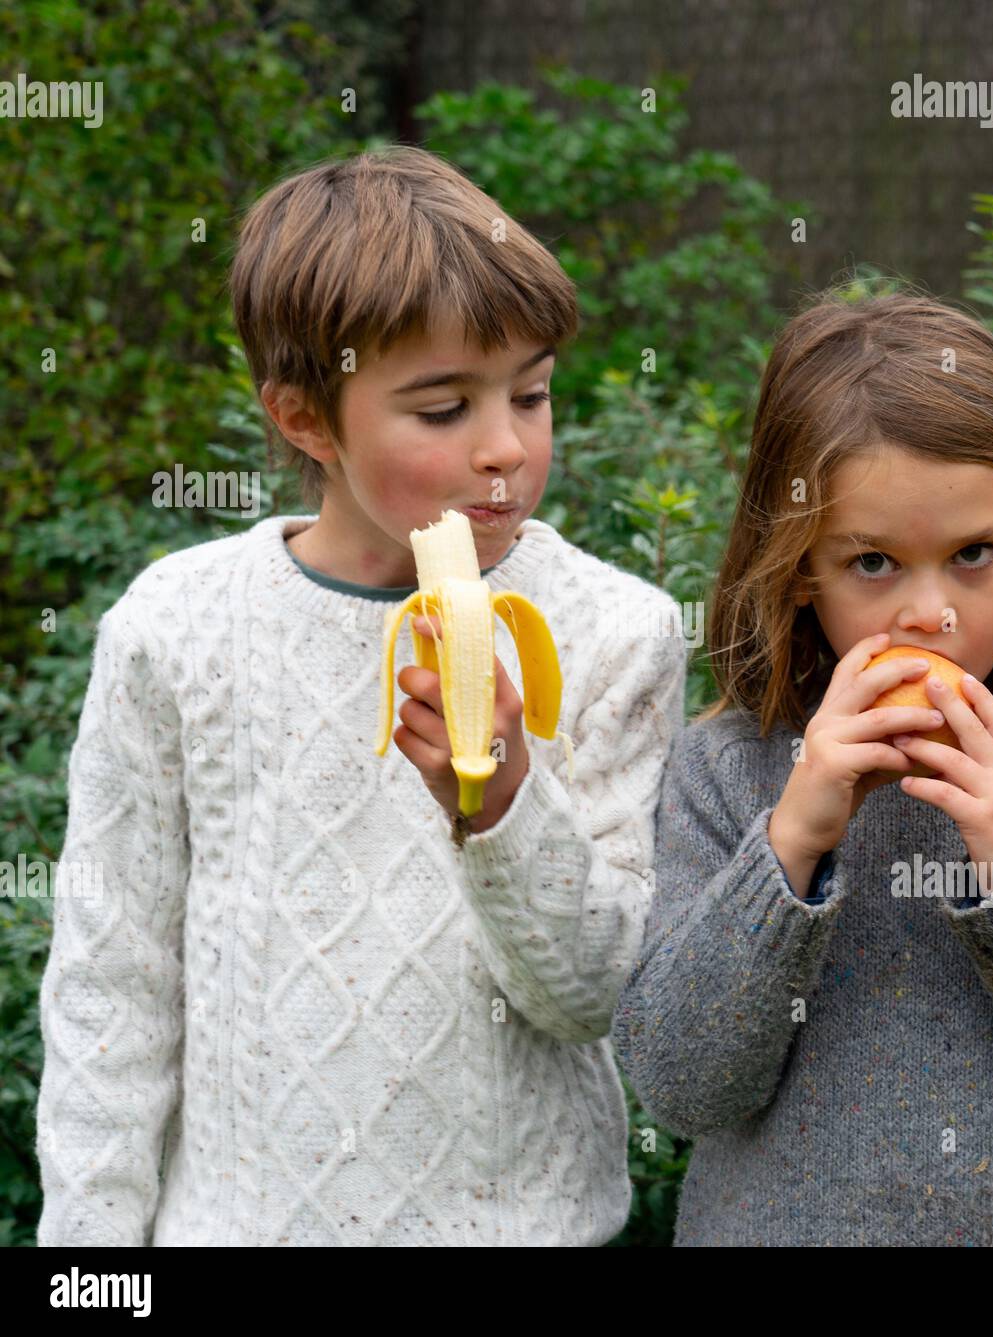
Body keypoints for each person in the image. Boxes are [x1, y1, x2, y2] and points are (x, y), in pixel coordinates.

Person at [35, 146, 686, 1246]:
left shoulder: (619, 629)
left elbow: (592, 994)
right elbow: (114, 983)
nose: (505, 450)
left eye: (531, 394)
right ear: (302, 417)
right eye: (442, 410)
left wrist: (502, 800)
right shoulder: (176, 628)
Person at [613, 286, 993, 1246]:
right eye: (872, 563)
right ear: (797, 562)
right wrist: (792, 843)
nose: (931, 613)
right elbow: (679, 1085)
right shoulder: (727, 769)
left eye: (973, 553)